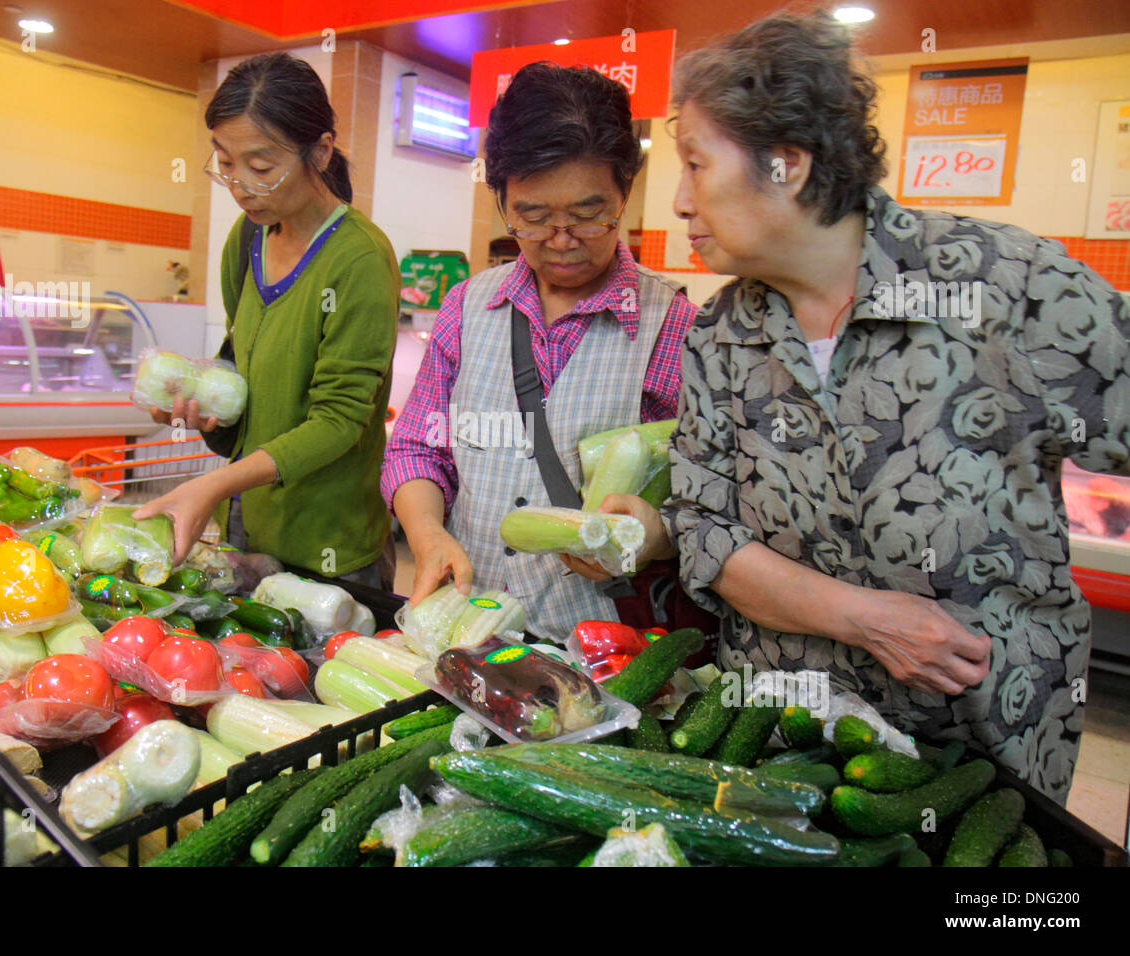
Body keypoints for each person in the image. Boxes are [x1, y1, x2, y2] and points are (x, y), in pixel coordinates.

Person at [613, 11, 1129, 801]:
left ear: (785, 165)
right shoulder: (720, 335)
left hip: (987, 753)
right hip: (787, 744)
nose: (678, 200)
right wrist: (867, 618)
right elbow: (705, 532)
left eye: (693, 163)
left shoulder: (1005, 285)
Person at [383, 63, 709, 643]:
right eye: (533, 217)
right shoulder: (467, 306)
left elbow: (710, 499)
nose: (561, 240)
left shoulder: (676, 327)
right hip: (467, 631)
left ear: (624, 193)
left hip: (601, 650)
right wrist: (428, 533)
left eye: (587, 214)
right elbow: (417, 448)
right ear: (501, 197)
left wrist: (655, 536)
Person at [133, 53, 399, 589]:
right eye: (225, 164)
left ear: (320, 152)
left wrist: (212, 485)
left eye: (260, 167)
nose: (240, 187)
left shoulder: (360, 259)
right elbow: (243, 368)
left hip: (330, 543)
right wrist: (207, 409)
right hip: (247, 521)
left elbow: (340, 421)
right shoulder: (248, 238)